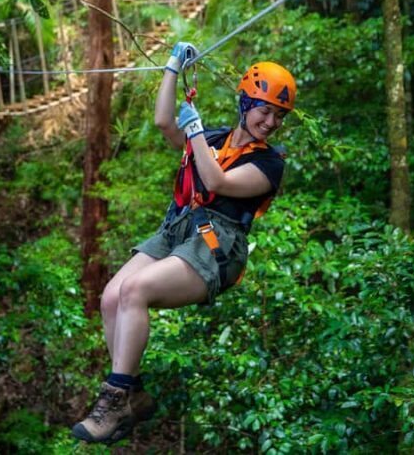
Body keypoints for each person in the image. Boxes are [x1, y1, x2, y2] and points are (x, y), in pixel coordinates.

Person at [71, 42, 297, 444]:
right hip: (180, 229)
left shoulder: (269, 163)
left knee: (136, 290)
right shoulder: (213, 137)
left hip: (217, 245)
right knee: (111, 297)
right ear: (245, 104)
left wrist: (194, 132)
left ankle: (114, 398)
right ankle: (134, 392)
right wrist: (173, 67)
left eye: (278, 116)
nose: (271, 122)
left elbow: (218, 182)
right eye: (265, 110)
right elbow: (164, 124)